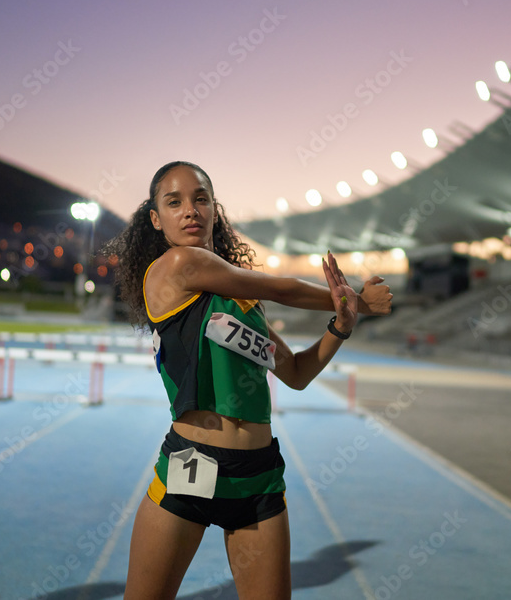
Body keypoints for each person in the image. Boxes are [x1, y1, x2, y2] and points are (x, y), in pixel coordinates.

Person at [106, 161, 392, 599]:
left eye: (201, 199)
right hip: (193, 464)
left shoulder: (242, 303)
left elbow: (296, 373)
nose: (190, 210)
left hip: (258, 478)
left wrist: (341, 326)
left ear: (214, 209)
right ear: (156, 219)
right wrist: (356, 301)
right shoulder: (176, 265)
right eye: (174, 202)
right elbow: (282, 288)